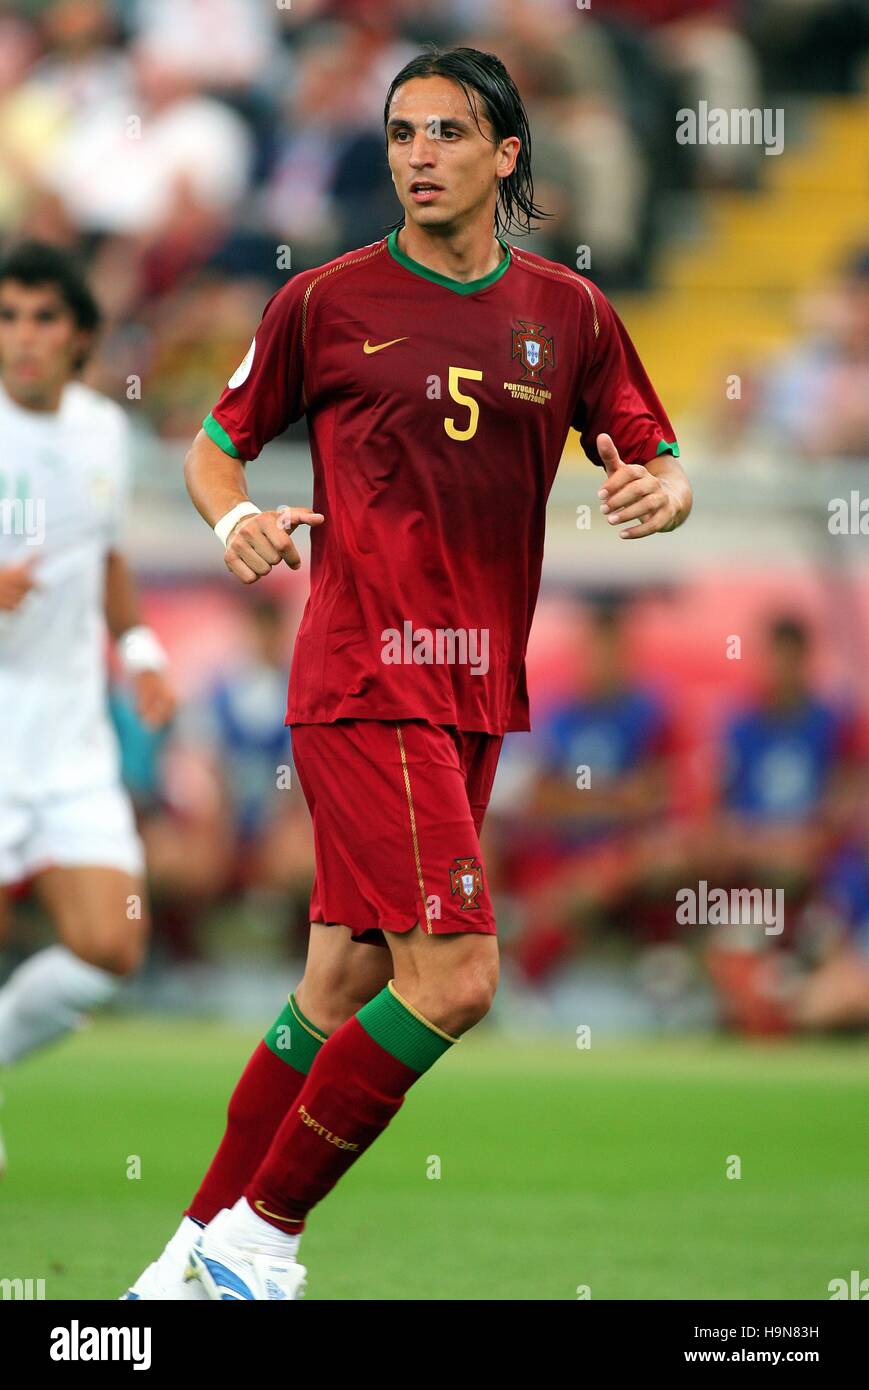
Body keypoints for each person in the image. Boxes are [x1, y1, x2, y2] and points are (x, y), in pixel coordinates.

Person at [124, 45, 691, 1301]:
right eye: (398, 133)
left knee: (343, 979)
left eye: (444, 132)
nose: (416, 155)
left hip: (478, 688)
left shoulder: (568, 313)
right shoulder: (323, 298)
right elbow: (217, 451)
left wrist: (660, 482)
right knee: (456, 977)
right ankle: (256, 1244)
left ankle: (183, 1259)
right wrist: (233, 525)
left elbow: (651, 449)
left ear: (504, 154)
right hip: (366, 670)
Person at [0, 241, 175, 1171]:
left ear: (78, 337)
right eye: (8, 316)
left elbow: (105, 557)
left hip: (69, 741)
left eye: (43, 318)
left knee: (112, 944)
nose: (23, 337)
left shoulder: (106, 431)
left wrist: (140, 652)